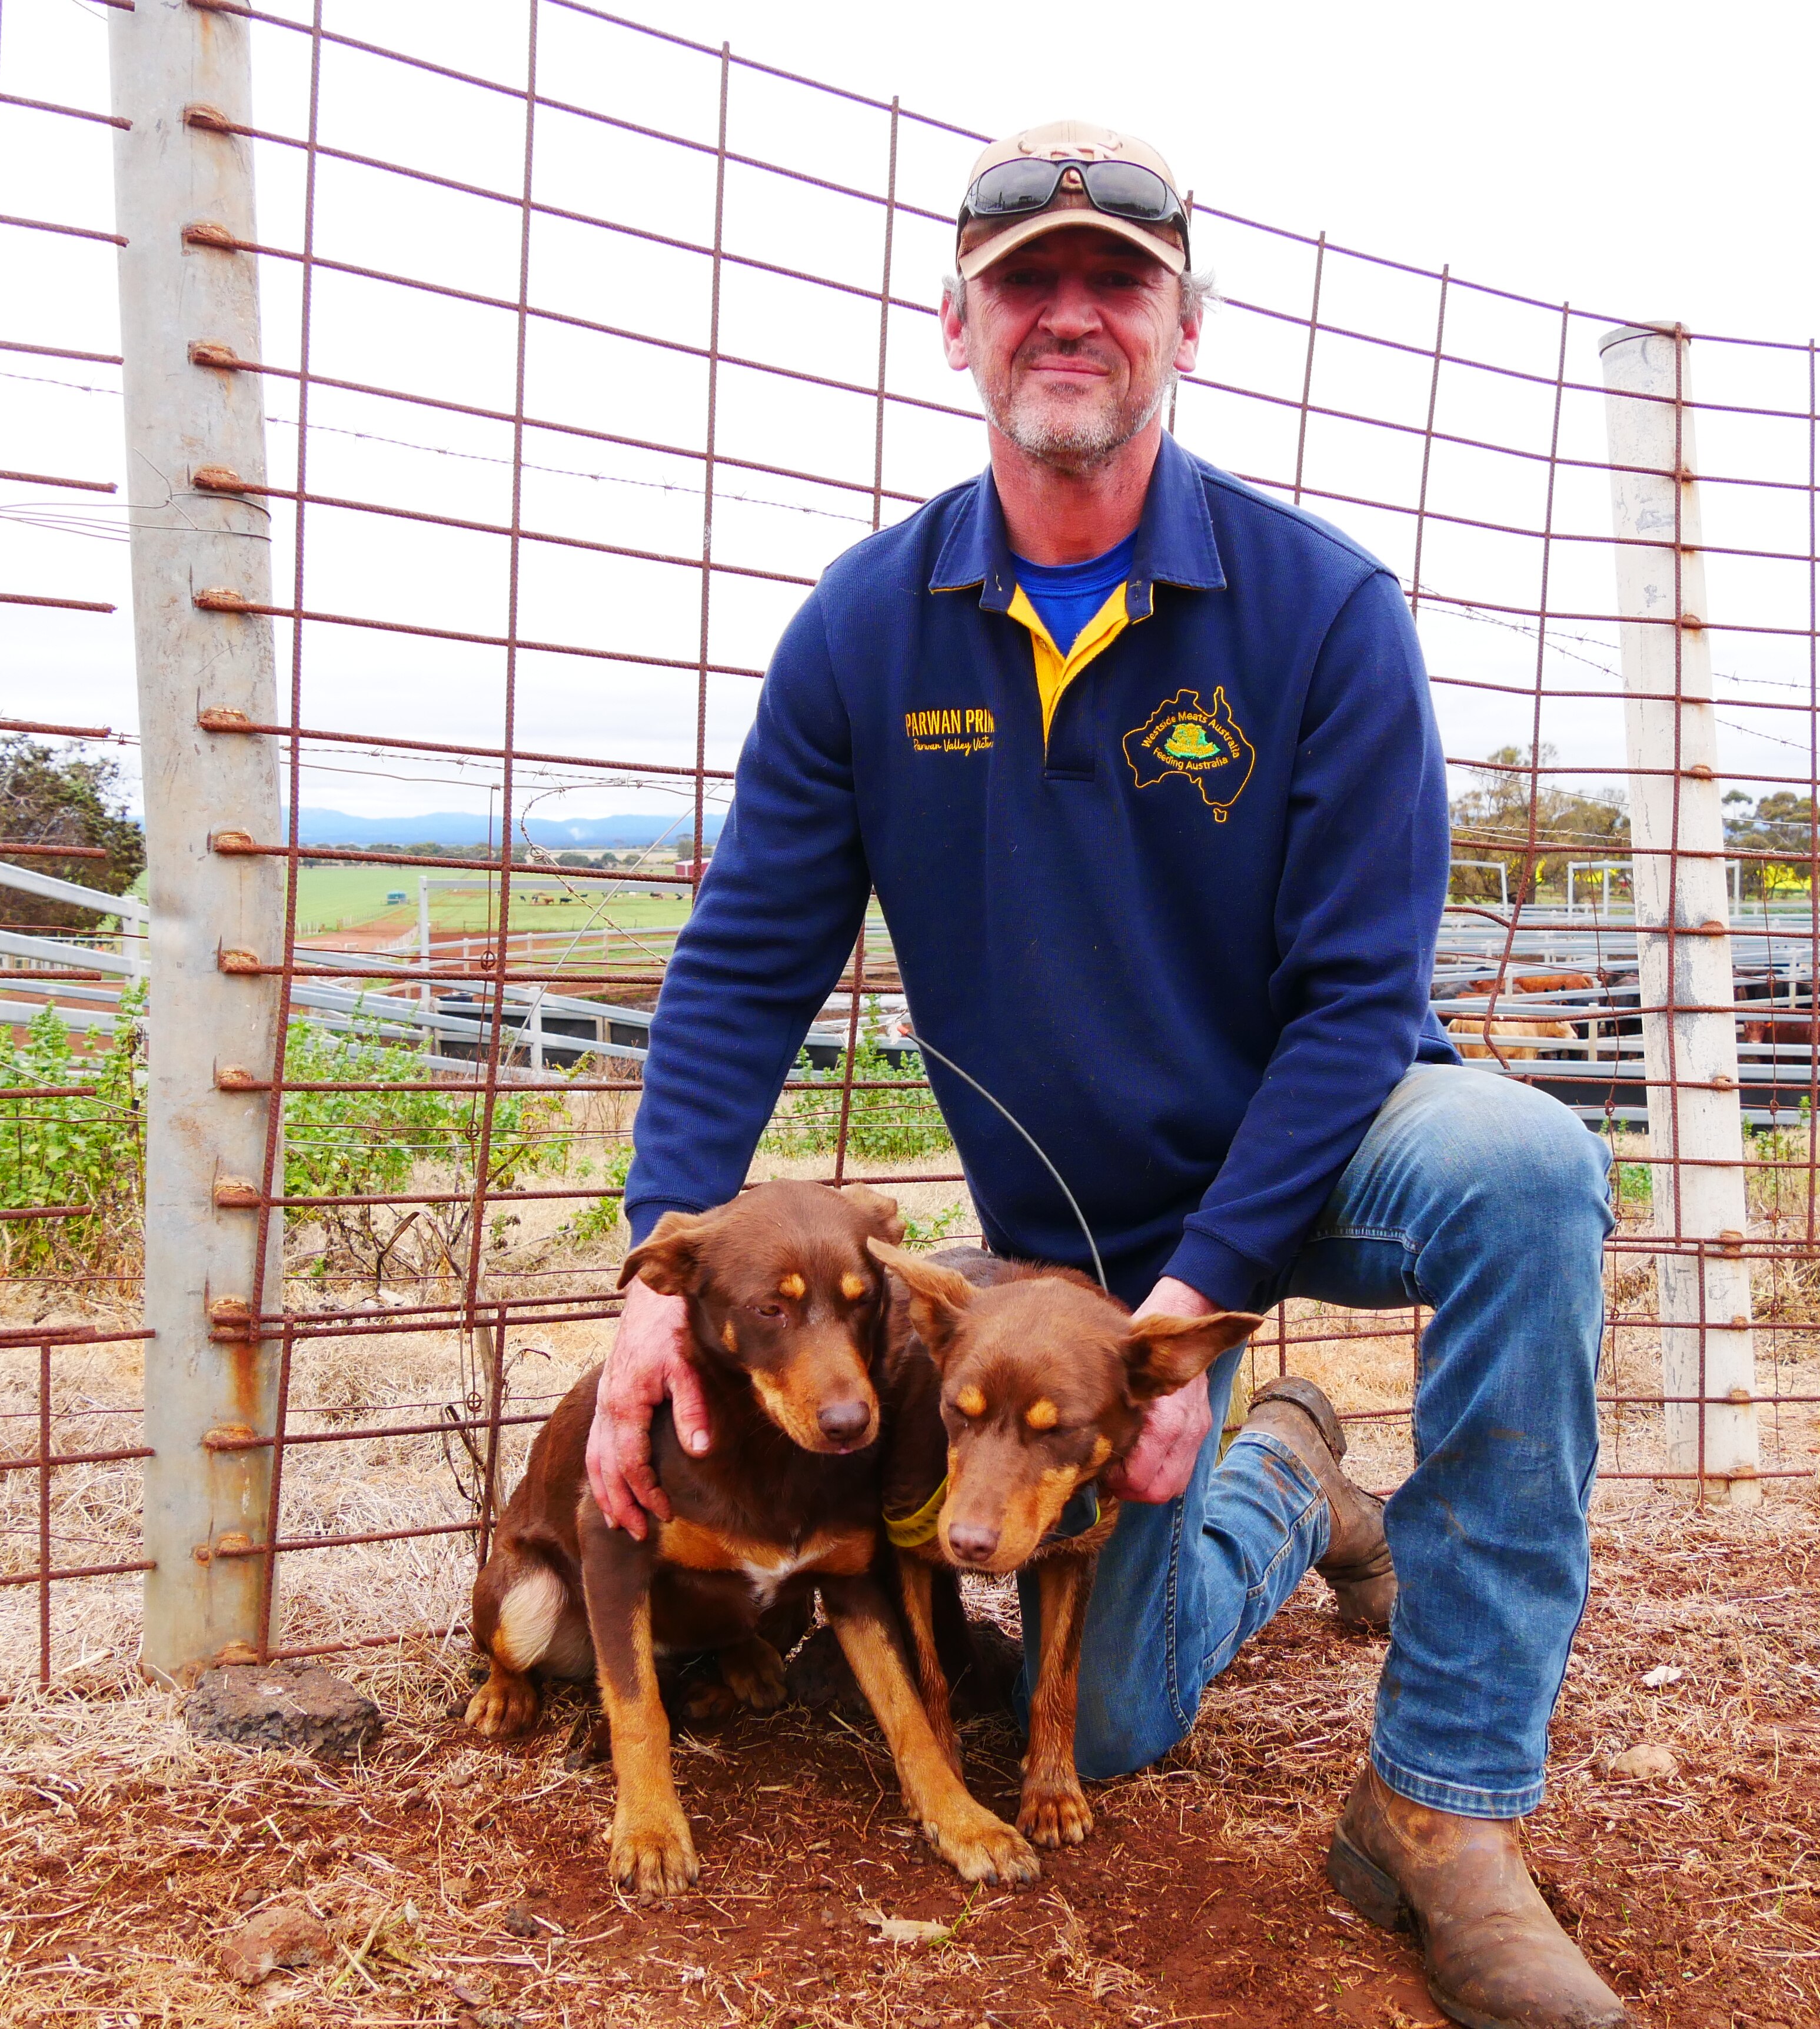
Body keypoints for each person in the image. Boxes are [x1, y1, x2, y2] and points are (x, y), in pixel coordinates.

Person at [587, 119, 1631, 2029]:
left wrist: (1191, 1310)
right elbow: (747, 964)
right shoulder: (864, 630)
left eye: (1115, 281)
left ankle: (1446, 1812)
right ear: (959, 326)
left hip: (1327, 1141)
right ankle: (1292, 1479)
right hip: (1079, 1223)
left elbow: (1351, 1001)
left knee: (1528, 1170)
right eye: (1027, 284)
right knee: (1117, 1723)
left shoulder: (1322, 615)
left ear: (1183, 323)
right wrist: (656, 1278)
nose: (1071, 315)